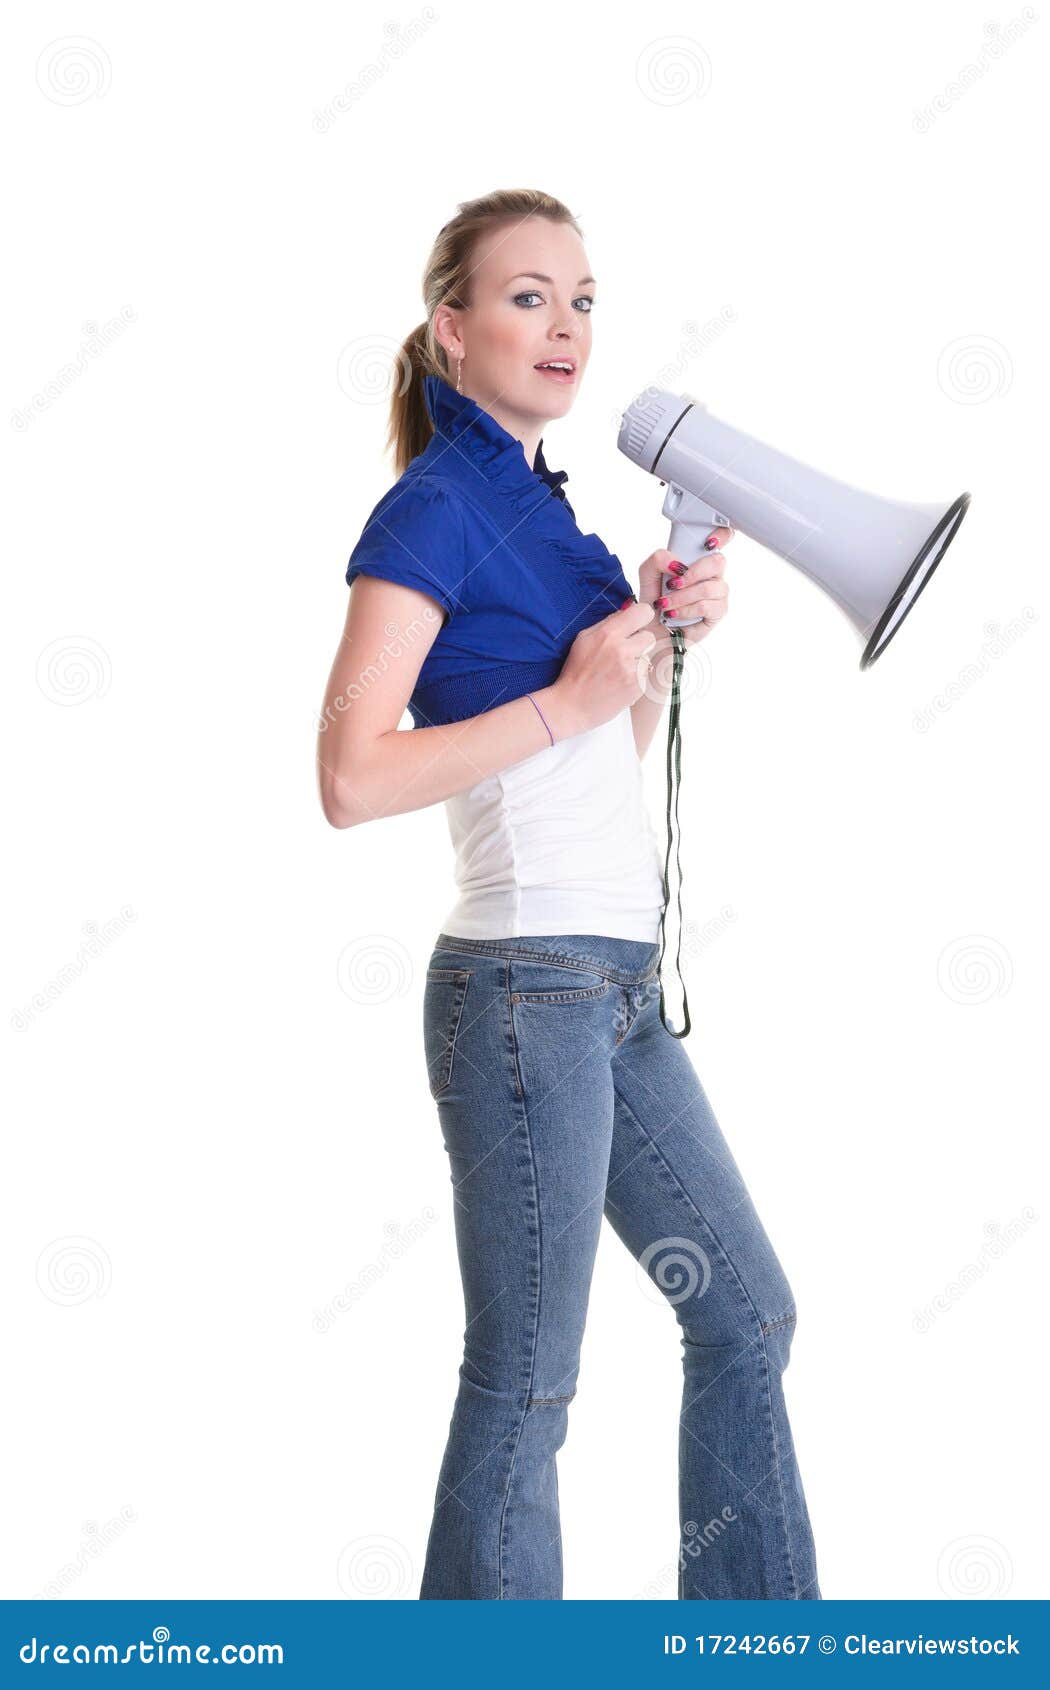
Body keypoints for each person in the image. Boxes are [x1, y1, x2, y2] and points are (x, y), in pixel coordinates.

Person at [317, 187, 820, 1601]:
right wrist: (569, 697)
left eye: (583, 297)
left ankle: (759, 1641)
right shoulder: (427, 511)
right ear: (451, 328)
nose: (565, 324)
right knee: (528, 1385)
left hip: (607, 987)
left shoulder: (551, 519)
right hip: (520, 994)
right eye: (528, 294)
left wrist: (653, 638)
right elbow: (350, 775)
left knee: (744, 1314)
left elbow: (606, 753)